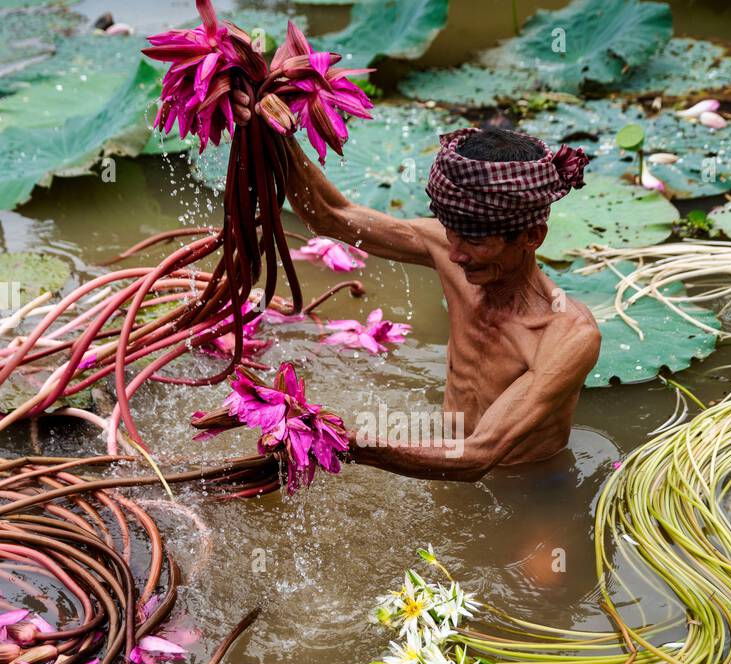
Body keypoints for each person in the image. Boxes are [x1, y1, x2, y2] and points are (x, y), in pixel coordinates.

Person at [232, 92, 601, 482]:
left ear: (532, 237)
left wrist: (342, 442)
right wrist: (273, 130)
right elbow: (333, 217)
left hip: (527, 485)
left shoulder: (568, 337)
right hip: (443, 452)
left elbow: (478, 455)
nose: (454, 255)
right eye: (451, 235)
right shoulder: (450, 248)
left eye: (474, 242)